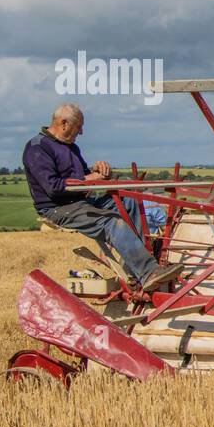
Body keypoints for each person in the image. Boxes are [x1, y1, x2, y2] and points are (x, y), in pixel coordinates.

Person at [23, 103, 181, 291]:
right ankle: (147, 273)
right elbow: (53, 188)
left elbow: (83, 175)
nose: (81, 132)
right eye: (78, 127)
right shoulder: (37, 148)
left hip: (80, 201)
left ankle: (143, 265)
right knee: (111, 223)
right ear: (63, 123)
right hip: (58, 207)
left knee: (129, 202)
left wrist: (97, 170)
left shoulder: (71, 147)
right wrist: (88, 178)